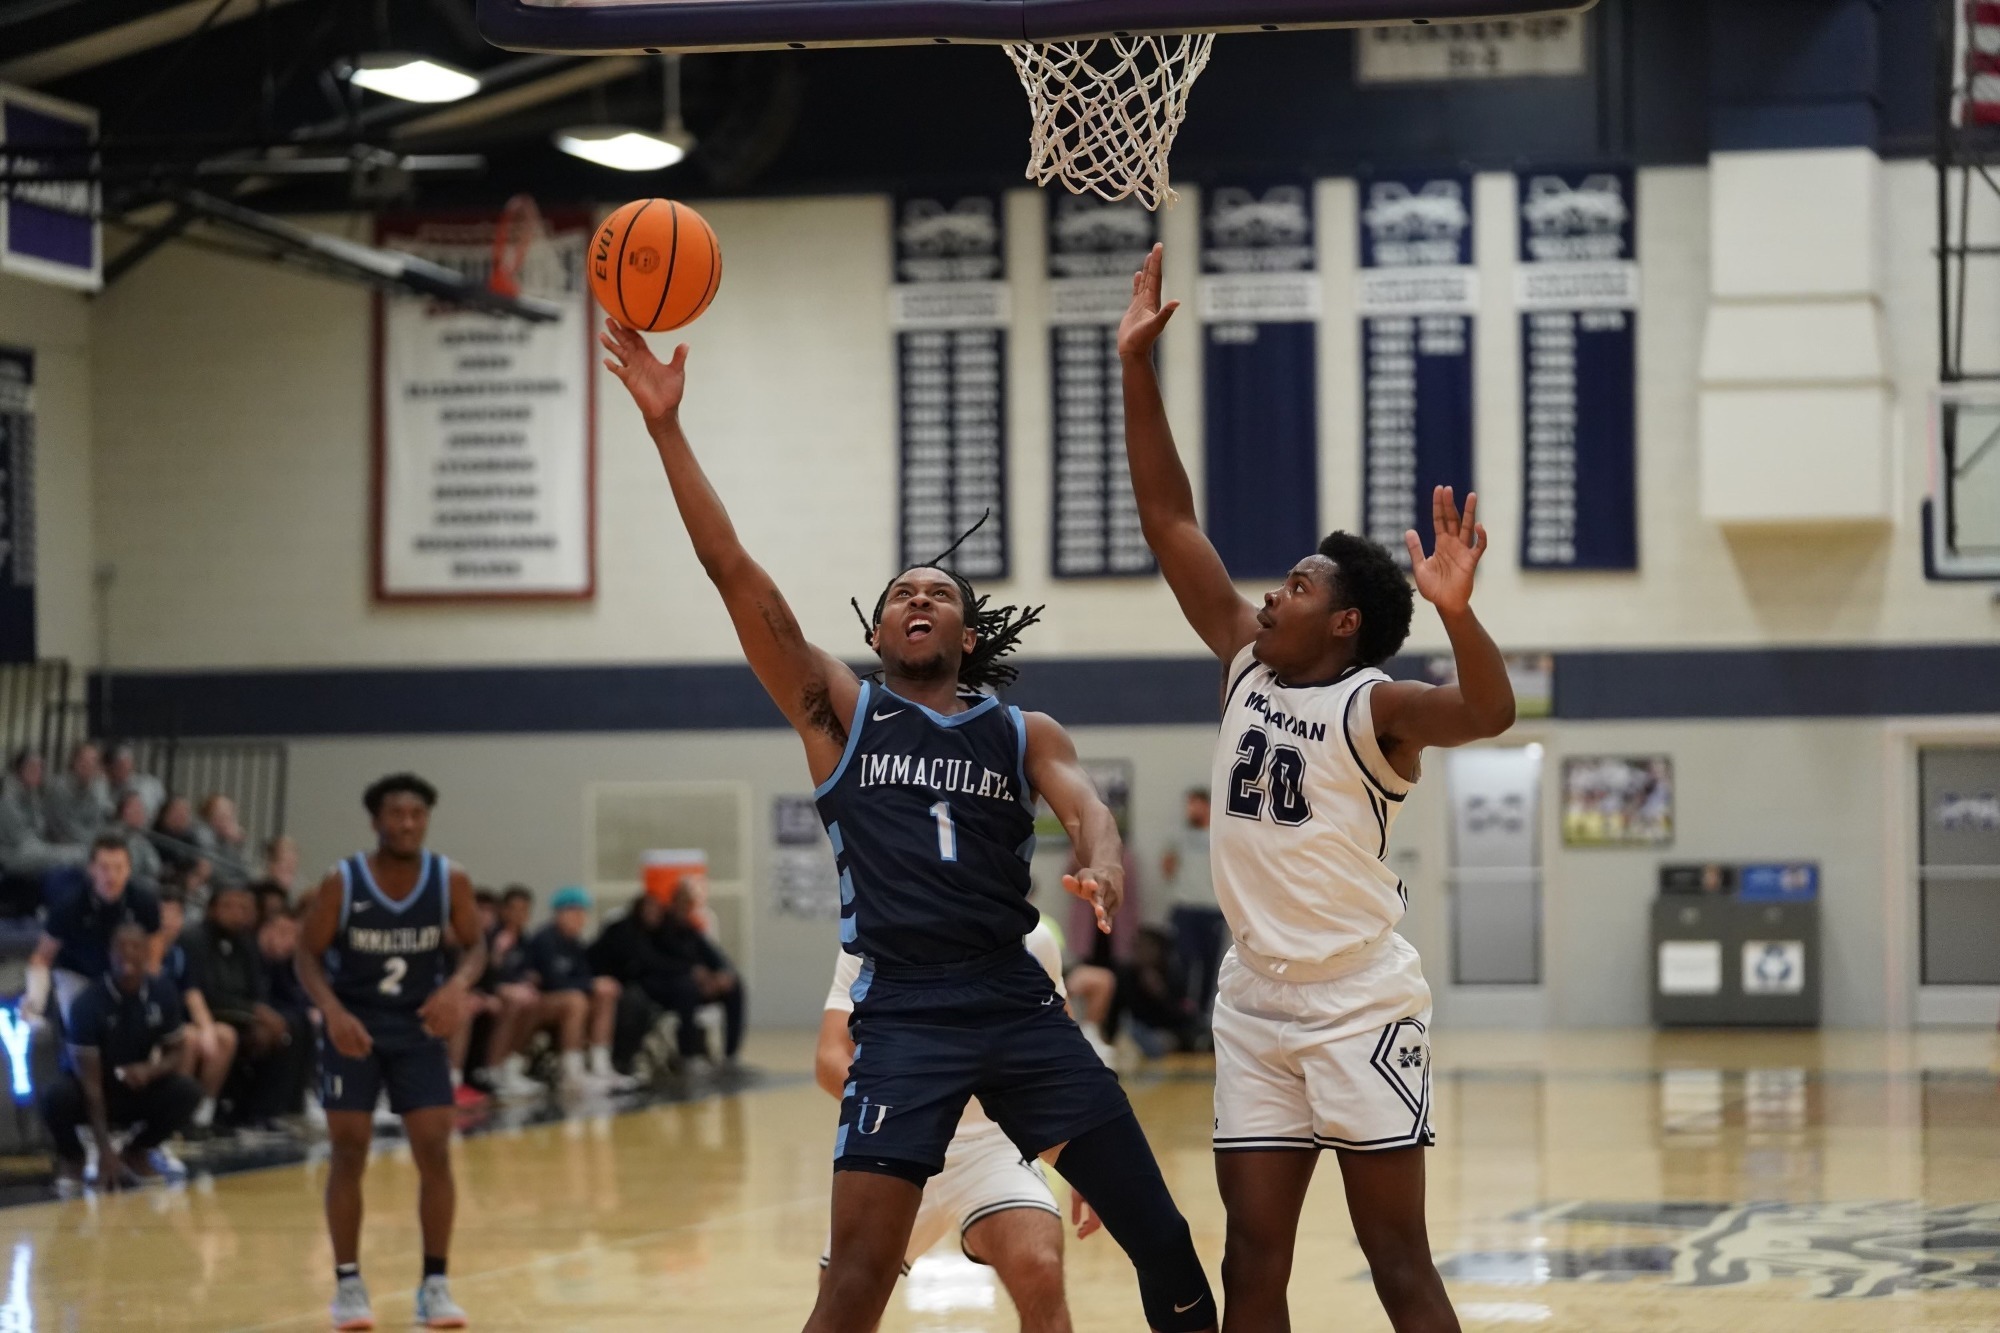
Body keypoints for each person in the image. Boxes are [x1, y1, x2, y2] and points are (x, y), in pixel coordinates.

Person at [602, 319, 1216, 1333]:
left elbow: (1086, 808)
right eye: (901, 595)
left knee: (1165, 1239)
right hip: (904, 1019)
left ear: (966, 636)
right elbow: (732, 571)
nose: (919, 596)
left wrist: (1101, 859)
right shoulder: (836, 710)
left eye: (938, 592)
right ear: (879, 633)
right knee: (851, 1284)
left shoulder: (1023, 730)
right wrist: (668, 426)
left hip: (1018, 1009)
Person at [1118, 243, 1517, 1333]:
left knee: (1394, 1259)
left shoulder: (1374, 706)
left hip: (1355, 1001)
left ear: (1341, 621)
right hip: (1254, 1000)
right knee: (1251, 1262)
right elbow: (1169, 522)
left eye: (1293, 584)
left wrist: (1456, 610)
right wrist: (1130, 369)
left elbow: (1488, 714)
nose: (1267, 591)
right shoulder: (1243, 663)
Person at [815, 920, 1097, 1333]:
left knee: (1040, 1265)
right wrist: (904, 1108)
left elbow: (1060, 1057)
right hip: (895, 1142)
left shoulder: (1030, 936)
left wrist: (1087, 1159)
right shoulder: (871, 935)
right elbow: (829, 1057)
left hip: (991, 1146)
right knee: (844, 1306)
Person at [294, 773, 483, 1331]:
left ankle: (435, 1284)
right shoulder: (343, 881)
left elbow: (475, 946)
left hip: (419, 1027)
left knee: (436, 1151)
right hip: (355, 1027)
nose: (407, 823)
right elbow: (306, 955)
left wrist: (457, 987)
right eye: (396, 814)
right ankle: (349, 1285)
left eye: (416, 815)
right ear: (376, 821)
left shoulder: (450, 879)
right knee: (349, 1151)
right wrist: (332, 1011)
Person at [38, 922, 201, 1196]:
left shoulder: (162, 993)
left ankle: (137, 1151)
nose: (128, 954)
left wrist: (150, 1070)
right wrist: (104, 1150)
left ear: (148, 952)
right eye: (120, 948)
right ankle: (73, 1158)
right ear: (109, 954)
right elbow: (91, 1085)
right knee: (54, 1096)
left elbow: (177, 1051)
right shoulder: (87, 1003)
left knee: (188, 1091)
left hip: (134, 1085)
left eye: (135, 947)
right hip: (92, 1089)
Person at [181, 882, 310, 1128]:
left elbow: (257, 991)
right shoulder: (194, 939)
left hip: (239, 1016)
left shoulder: (245, 943)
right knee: (230, 1037)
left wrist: (260, 1014)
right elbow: (204, 992)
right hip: (204, 1015)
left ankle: (267, 1110)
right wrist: (255, 1012)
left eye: (242, 907)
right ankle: (201, 1112)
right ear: (212, 908)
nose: (236, 912)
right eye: (228, 906)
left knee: (286, 1029)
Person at [26, 834, 162, 1026]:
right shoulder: (69, 906)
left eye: (118, 868)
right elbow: (42, 957)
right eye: (104, 868)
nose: (111, 876)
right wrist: (34, 1001)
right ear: (91, 869)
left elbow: (155, 944)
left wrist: (149, 984)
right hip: (78, 973)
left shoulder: (144, 901)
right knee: (82, 1022)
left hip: (126, 972)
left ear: (129, 870)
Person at [154, 887, 236, 1136]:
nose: (170, 921)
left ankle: (202, 1113)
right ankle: (176, 1117)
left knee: (224, 1036)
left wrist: (208, 1028)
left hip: (179, 1022)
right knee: (187, 1038)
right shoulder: (143, 950)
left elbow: (192, 994)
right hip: (152, 1023)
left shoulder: (179, 954)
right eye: (164, 915)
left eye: (176, 915)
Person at [653, 876, 746, 1067]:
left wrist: (721, 973)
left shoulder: (691, 930)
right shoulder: (660, 929)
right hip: (667, 987)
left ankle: (730, 1055)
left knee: (734, 986)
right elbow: (657, 962)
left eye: (690, 902)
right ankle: (688, 1055)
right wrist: (692, 973)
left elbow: (713, 955)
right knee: (686, 990)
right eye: (683, 900)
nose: (687, 906)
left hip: (697, 985)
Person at [1160, 790, 1225, 1027]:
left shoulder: (1219, 833)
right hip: (1185, 908)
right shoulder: (1179, 835)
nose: (1191, 810)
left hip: (1212, 909)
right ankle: (1184, 1011)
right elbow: (1167, 865)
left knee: (1210, 963)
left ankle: (1204, 1014)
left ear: (1207, 806)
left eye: (1195, 805)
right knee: (1185, 960)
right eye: (1188, 805)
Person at [46, 740, 111, 845]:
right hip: (62, 844)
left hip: (88, 843)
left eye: (93, 761)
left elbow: (98, 822)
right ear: (74, 762)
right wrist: (95, 843)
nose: (88, 765)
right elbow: (64, 829)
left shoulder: (95, 788)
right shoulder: (59, 789)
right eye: (84, 761)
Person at [196, 794, 252, 889]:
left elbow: (246, 874)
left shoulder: (229, 840)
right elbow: (213, 872)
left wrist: (238, 845)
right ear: (210, 816)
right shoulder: (202, 834)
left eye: (230, 815)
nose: (229, 820)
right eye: (223, 815)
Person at [115, 791, 166, 887]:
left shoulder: (142, 839)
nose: (139, 812)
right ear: (122, 811)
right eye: (134, 808)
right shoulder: (112, 835)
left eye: (140, 809)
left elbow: (155, 868)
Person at [106, 744, 166, 825]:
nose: (123, 768)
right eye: (119, 765)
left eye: (126, 763)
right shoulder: (107, 789)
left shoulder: (150, 783)